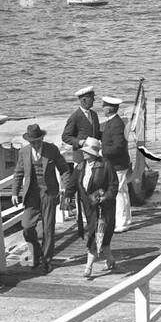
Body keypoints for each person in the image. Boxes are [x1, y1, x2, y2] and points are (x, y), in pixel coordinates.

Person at [11, 121, 70, 273]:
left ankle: (46, 260)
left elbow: (64, 169)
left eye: (37, 141)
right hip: (31, 194)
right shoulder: (23, 152)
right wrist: (14, 192)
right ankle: (36, 252)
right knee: (27, 227)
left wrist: (65, 187)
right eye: (32, 142)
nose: (36, 144)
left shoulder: (52, 150)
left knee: (48, 228)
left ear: (42, 139)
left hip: (48, 193)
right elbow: (18, 173)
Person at [72, 136, 119, 279]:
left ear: (93, 153)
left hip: (104, 208)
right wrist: (67, 196)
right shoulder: (80, 166)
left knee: (94, 235)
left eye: (86, 151)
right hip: (89, 207)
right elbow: (73, 183)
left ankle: (88, 268)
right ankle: (110, 260)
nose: (83, 153)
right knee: (102, 238)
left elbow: (114, 185)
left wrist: (106, 197)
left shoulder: (106, 165)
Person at [61, 84, 101, 237]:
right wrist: (79, 142)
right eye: (92, 98)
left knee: (94, 185)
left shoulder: (94, 115)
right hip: (81, 158)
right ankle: (85, 218)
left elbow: (96, 133)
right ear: (84, 100)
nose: (94, 100)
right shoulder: (75, 117)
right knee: (82, 188)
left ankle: (93, 215)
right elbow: (65, 136)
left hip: (94, 155)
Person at [99, 93, 134, 232]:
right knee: (120, 191)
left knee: (120, 192)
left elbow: (118, 147)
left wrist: (102, 152)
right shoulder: (112, 122)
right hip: (115, 164)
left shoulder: (117, 124)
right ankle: (121, 220)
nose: (102, 108)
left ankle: (123, 221)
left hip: (118, 164)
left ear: (110, 108)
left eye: (104, 106)